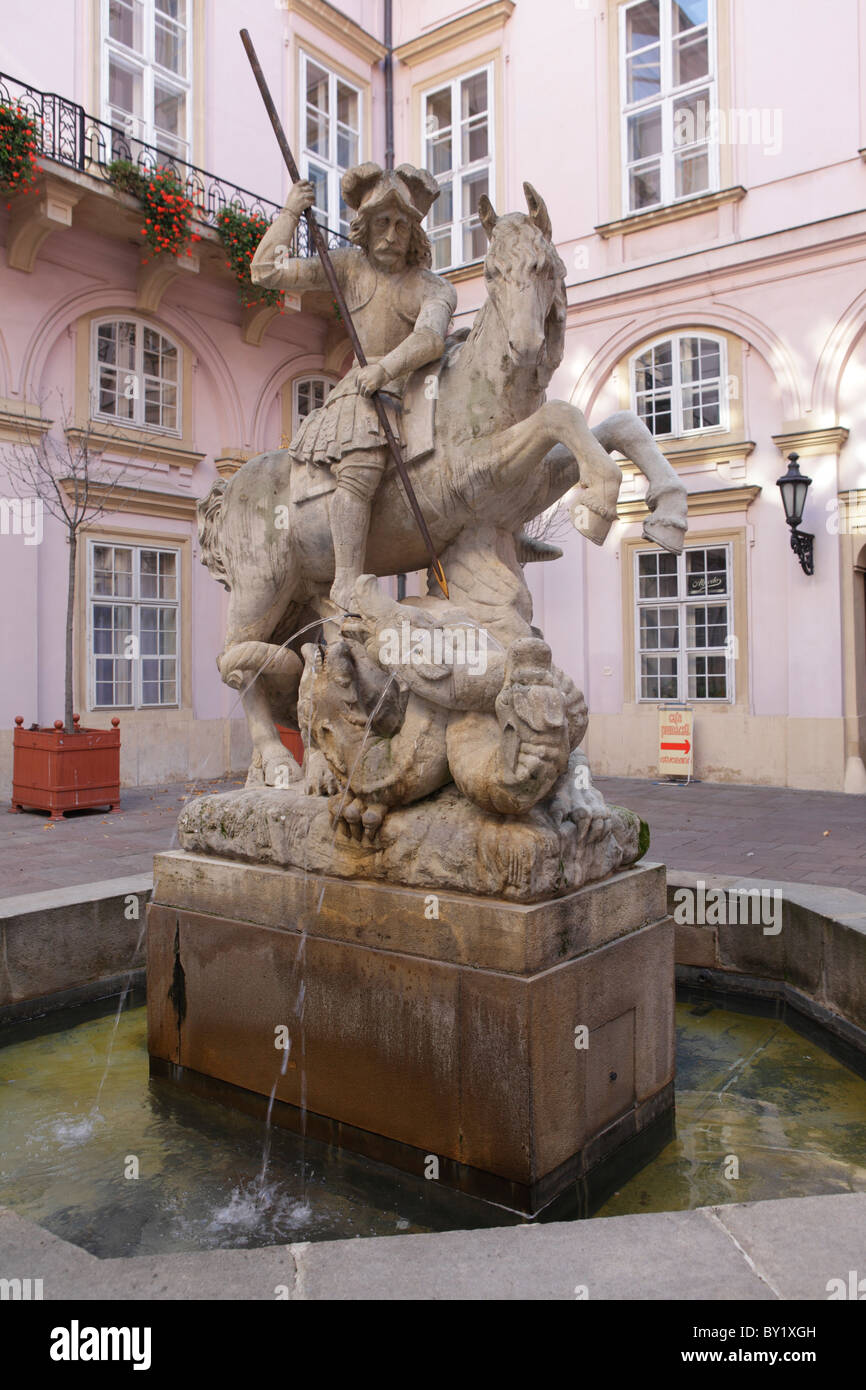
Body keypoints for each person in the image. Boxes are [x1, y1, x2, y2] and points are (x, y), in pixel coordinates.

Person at [251, 162, 457, 612]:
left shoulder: (433, 287)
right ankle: (346, 580)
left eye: (401, 225)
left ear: (414, 232)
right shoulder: (346, 266)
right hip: (366, 395)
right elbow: (265, 270)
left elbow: (429, 338)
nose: (390, 235)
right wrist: (289, 213)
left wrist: (385, 370)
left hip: (415, 385)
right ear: (364, 227)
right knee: (360, 459)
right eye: (382, 223)